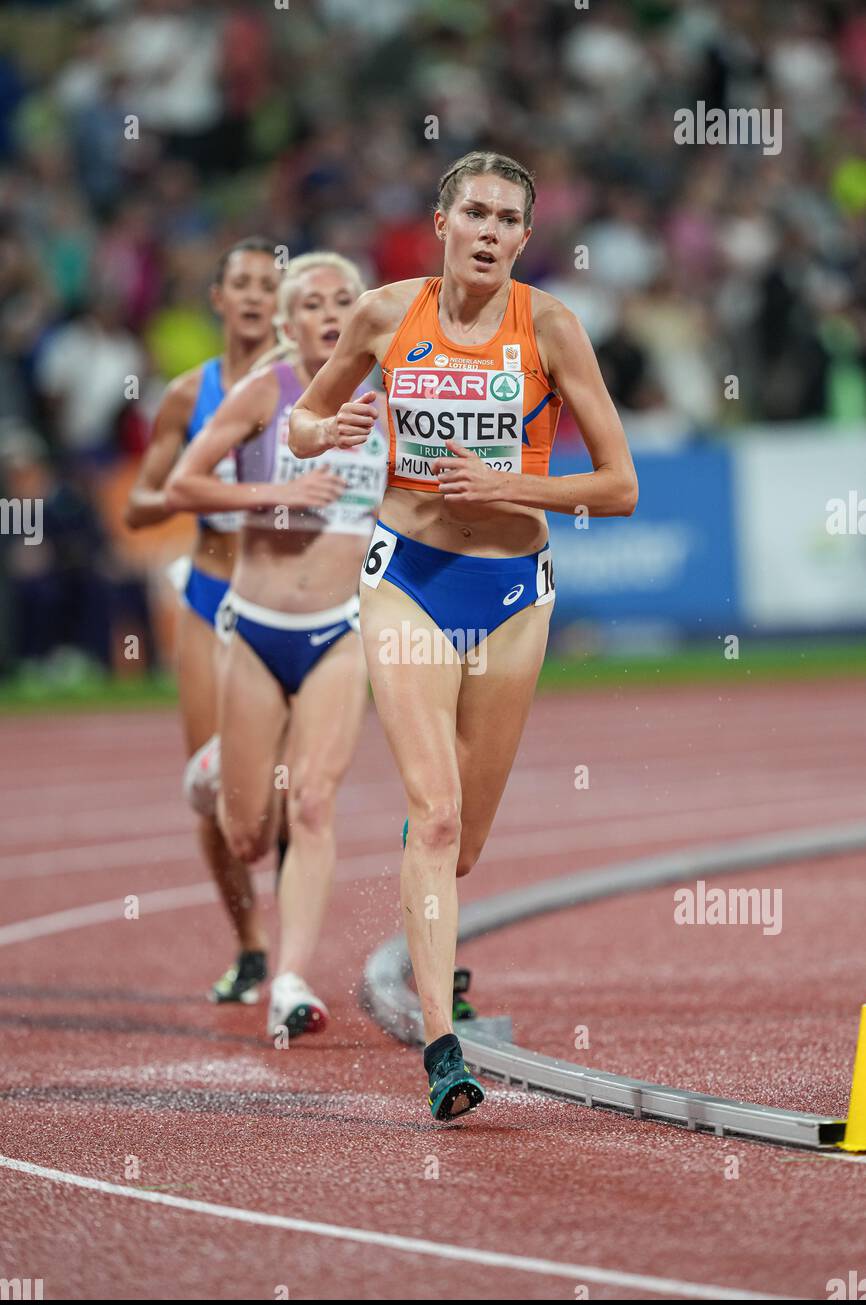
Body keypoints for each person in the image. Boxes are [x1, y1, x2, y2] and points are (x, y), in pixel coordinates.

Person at [288, 151, 638, 1120]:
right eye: (472, 212)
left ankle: (428, 874)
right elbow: (305, 426)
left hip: (514, 592)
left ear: (524, 239)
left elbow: (617, 485)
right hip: (406, 575)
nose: (487, 231)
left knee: (462, 839)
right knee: (434, 811)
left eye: (506, 219)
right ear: (440, 222)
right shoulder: (381, 315)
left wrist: (511, 485)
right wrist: (331, 427)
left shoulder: (552, 327)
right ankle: (443, 1046)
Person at [165, 252, 388, 1039]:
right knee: (248, 833)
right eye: (313, 301)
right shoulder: (266, 392)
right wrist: (278, 491)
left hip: (339, 631)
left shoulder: (390, 399)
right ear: (289, 322)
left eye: (344, 299)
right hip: (255, 629)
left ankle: (290, 979)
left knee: (315, 804)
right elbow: (182, 486)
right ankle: (215, 774)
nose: (330, 311)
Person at [124, 236, 281, 1004]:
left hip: (286, 597)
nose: (254, 297)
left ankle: (303, 936)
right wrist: (201, 486)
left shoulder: (305, 387)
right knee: (209, 785)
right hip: (211, 594)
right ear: (218, 298)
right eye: (241, 284)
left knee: (286, 790)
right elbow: (140, 501)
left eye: (267, 285)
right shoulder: (189, 395)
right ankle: (251, 944)